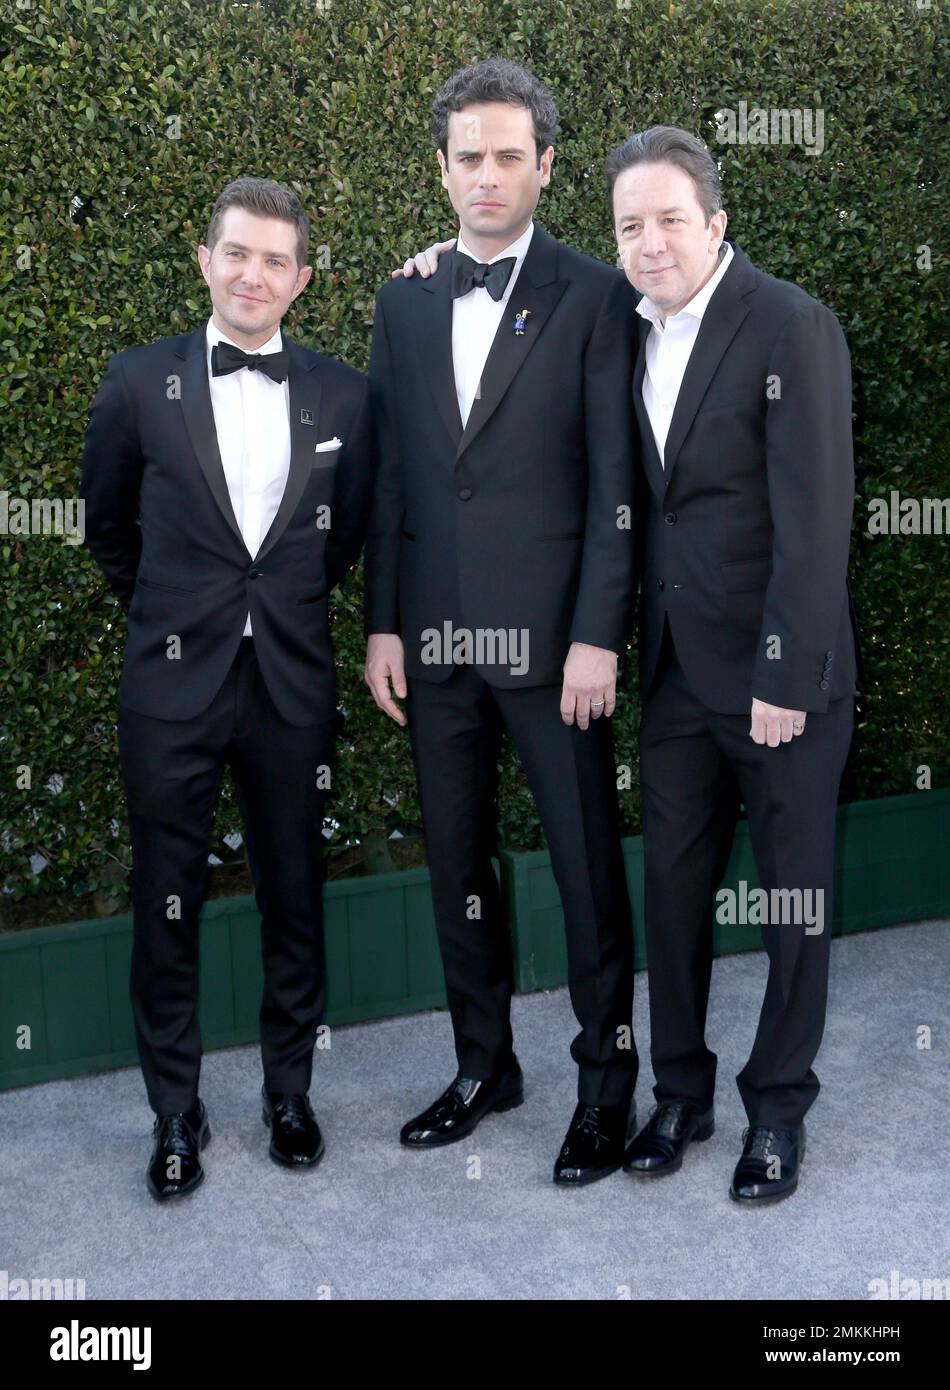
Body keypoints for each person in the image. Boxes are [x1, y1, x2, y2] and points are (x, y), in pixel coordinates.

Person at [363, 58, 640, 1185]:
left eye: (507, 156)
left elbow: (619, 480)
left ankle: (604, 1088)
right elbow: (390, 480)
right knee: (454, 862)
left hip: (553, 645)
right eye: (466, 156)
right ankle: (485, 1066)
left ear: (544, 167)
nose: (486, 175)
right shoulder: (403, 296)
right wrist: (381, 622)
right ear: (441, 168)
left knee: (583, 868)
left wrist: (596, 632)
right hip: (431, 642)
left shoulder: (596, 293)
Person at [80, 176, 375, 1201]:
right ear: (205, 260)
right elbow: (109, 530)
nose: (253, 274)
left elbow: (348, 537)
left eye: (275, 260)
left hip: (289, 685)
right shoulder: (134, 383)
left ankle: (288, 1089)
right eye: (236, 253)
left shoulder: (342, 395)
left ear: (299, 278)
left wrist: (273, 611)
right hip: (171, 690)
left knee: (296, 891)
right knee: (167, 902)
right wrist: (175, 617)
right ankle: (174, 1109)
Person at [608, 127, 858, 1204]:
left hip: (775, 677)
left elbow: (814, 522)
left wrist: (779, 678)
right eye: (629, 224)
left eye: (669, 218)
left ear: (715, 222)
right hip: (669, 677)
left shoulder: (786, 323)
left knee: (791, 901)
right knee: (670, 894)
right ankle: (679, 1093)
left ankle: (775, 1109)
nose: (649, 241)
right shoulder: (623, 333)